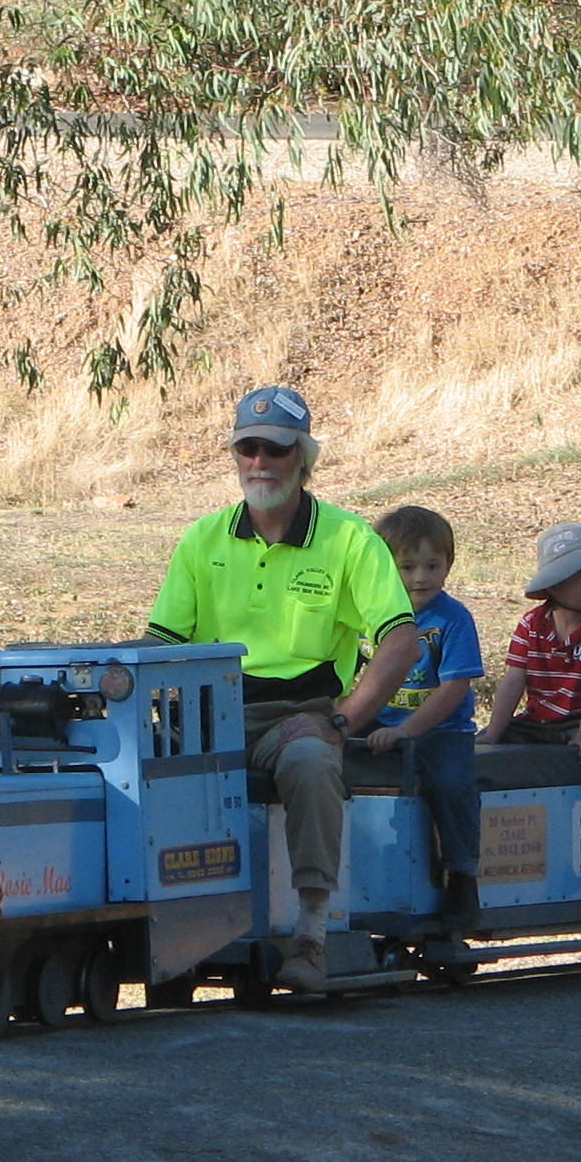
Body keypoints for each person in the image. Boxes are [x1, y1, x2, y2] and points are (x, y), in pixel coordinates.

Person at [146, 386, 424, 991]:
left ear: (303, 458)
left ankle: (312, 937)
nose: (259, 462)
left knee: (309, 762)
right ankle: (173, 937)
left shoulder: (352, 541)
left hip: (300, 715)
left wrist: (343, 722)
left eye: (275, 449)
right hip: (207, 717)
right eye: (248, 447)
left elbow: (402, 644)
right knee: (148, 773)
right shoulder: (201, 540)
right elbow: (162, 646)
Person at [481, 523, 581, 904]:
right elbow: (513, 681)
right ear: (554, 585)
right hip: (542, 719)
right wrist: (492, 731)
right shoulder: (530, 625)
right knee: (483, 752)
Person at [363, 505, 485, 937]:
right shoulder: (369, 617)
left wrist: (406, 730)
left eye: (433, 565)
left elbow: (452, 689)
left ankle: (462, 877)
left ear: (448, 565)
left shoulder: (453, 619)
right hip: (374, 723)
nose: (420, 578)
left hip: (440, 730)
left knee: (451, 784)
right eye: (408, 566)